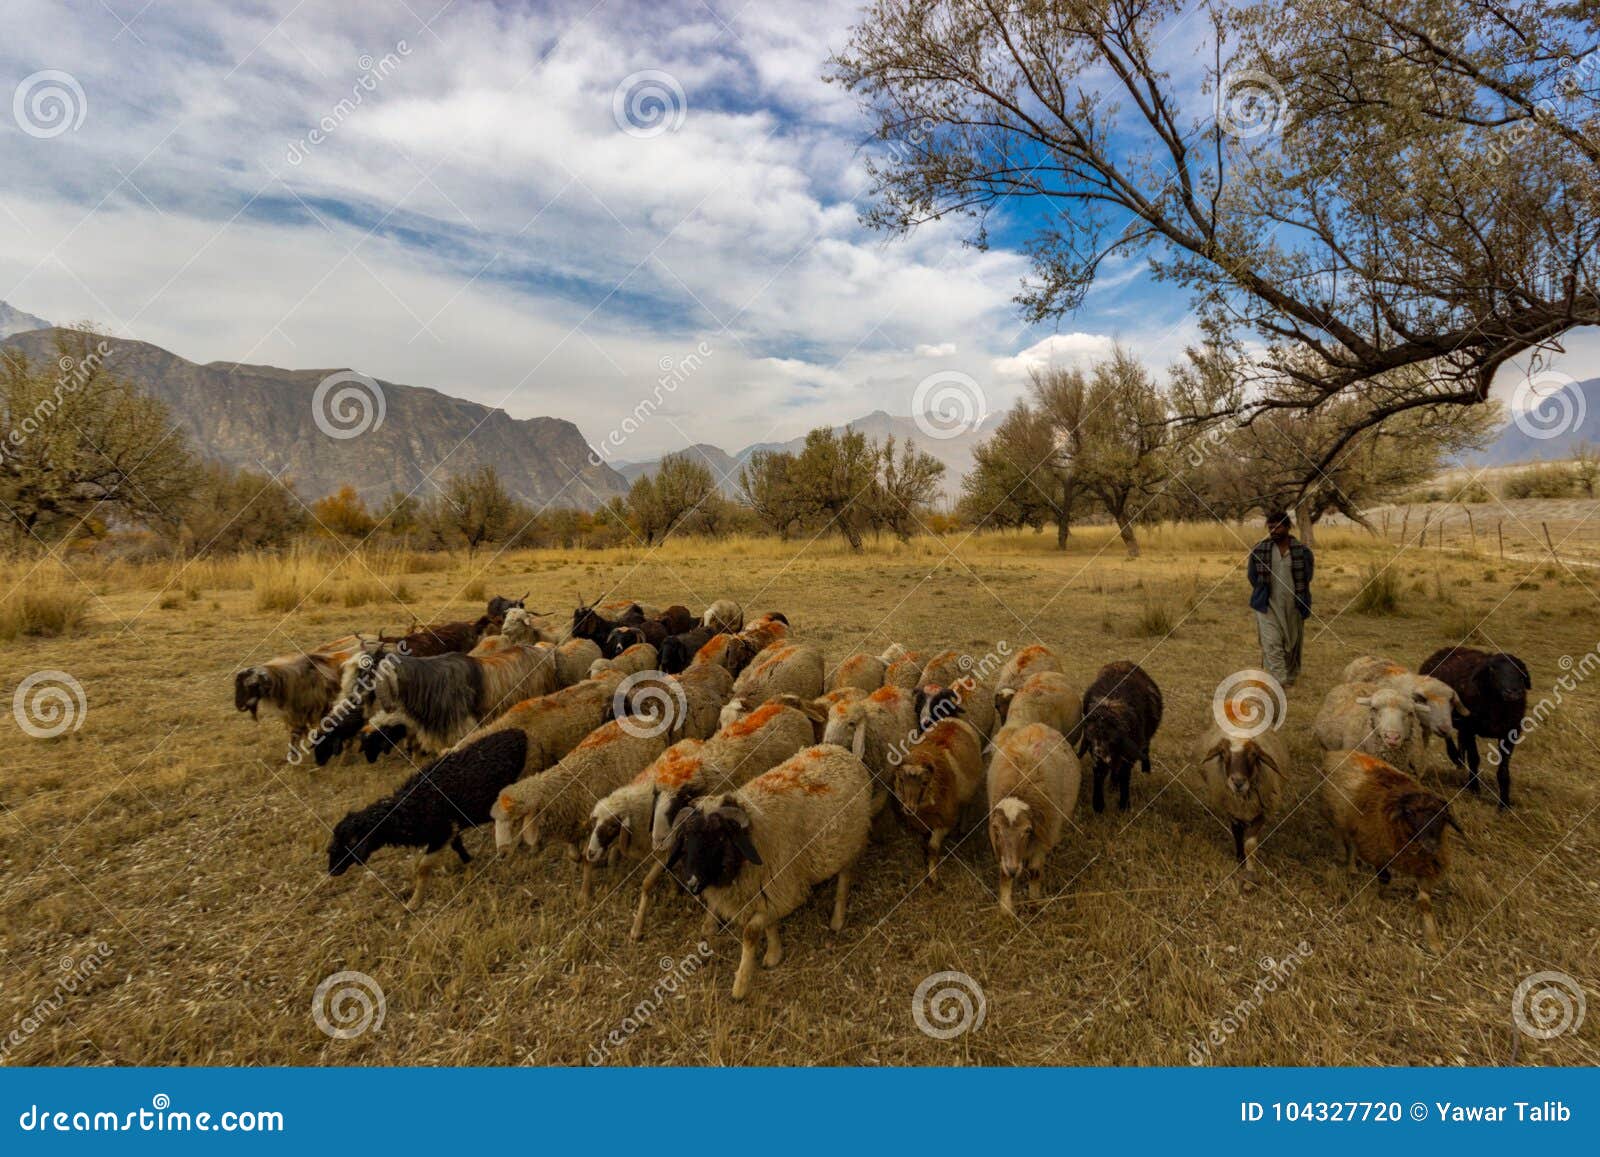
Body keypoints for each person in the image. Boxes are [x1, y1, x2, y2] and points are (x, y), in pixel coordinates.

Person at [1247, 510, 1314, 687]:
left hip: (1294, 604)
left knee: (1292, 644)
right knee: (1272, 643)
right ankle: (1279, 680)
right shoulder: (1260, 550)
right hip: (1267, 605)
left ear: (1287, 527)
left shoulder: (1302, 552)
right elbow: (1252, 577)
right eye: (1270, 527)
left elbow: (1307, 577)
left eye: (1277, 527)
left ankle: (1290, 677)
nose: (1273, 530)